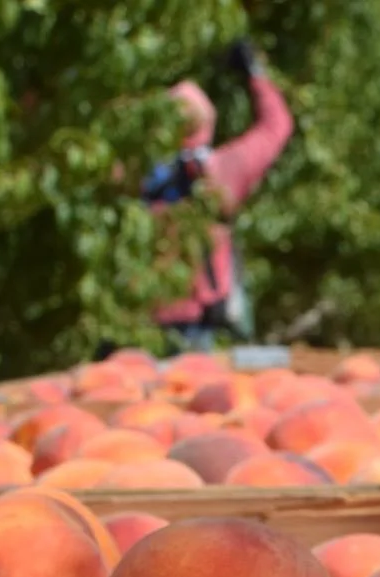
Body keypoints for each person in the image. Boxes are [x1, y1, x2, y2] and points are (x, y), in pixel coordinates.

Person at [143, 39, 294, 351]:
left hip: (144, 316)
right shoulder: (222, 170)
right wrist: (256, 74)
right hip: (200, 318)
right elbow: (276, 127)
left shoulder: (137, 175)